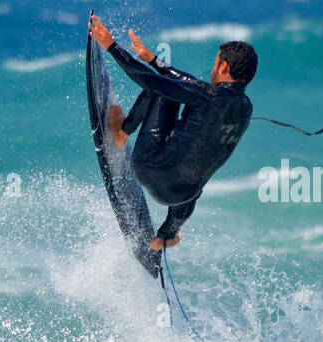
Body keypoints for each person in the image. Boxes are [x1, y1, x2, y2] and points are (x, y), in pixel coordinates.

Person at [87, 14, 256, 250]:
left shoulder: (208, 95)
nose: (213, 68)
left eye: (216, 63)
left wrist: (112, 47)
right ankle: (167, 234)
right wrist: (153, 59)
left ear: (224, 67)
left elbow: (150, 82)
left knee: (161, 88)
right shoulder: (245, 109)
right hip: (182, 199)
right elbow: (191, 86)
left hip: (149, 168)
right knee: (204, 158)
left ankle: (121, 132)